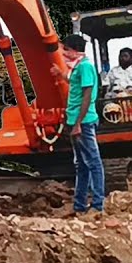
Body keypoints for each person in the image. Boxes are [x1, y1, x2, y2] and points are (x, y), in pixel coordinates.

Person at [55, 34, 104, 214]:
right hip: (74, 120)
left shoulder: (85, 67)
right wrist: (61, 75)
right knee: (81, 165)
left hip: (83, 122)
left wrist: (78, 124)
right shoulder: (77, 68)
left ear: (75, 50)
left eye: (66, 50)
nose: (64, 53)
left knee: (93, 163)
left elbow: (87, 96)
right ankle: (79, 205)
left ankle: (98, 205)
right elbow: (75, 84)